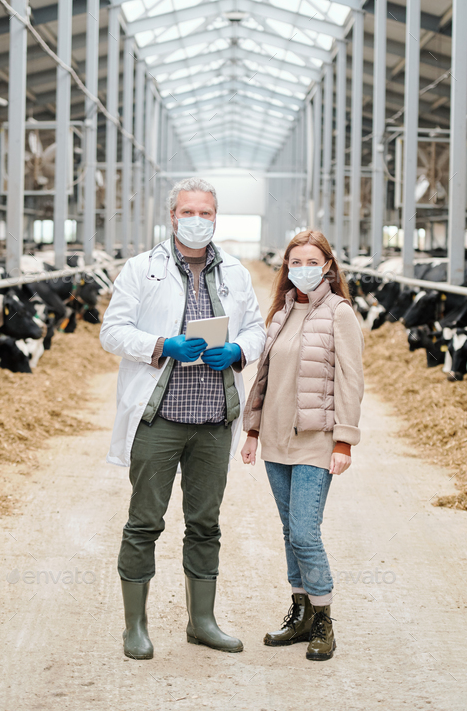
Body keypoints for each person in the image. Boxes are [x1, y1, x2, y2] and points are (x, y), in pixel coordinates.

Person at [100, 177, 266, 660]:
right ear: (173, 216)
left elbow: (256, 329)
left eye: (207, 213)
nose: (198, 220)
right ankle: (136, 627)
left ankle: (202, 621)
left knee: (205, 524)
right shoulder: (141, 269)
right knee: (144, 522)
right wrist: (159, 346)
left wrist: (237, 350)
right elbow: (113, 331)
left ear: (216, 218)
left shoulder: (234, 271)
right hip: (160, 419)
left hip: (214, 419)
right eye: (189, 212)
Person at [241, 230, 364, 662]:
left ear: (328, 265)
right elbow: (264, 378)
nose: (303, 269)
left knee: (306, 532)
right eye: (296, 262)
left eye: (312, 261)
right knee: (289, 531)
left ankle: (325, 619)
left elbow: (351, 379)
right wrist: (253, 431)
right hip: (275, 439)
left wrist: (344, 440)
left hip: (315, 440)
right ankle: (300, 613)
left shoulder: (340, 313)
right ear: (287, 267)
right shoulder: (281, 312)